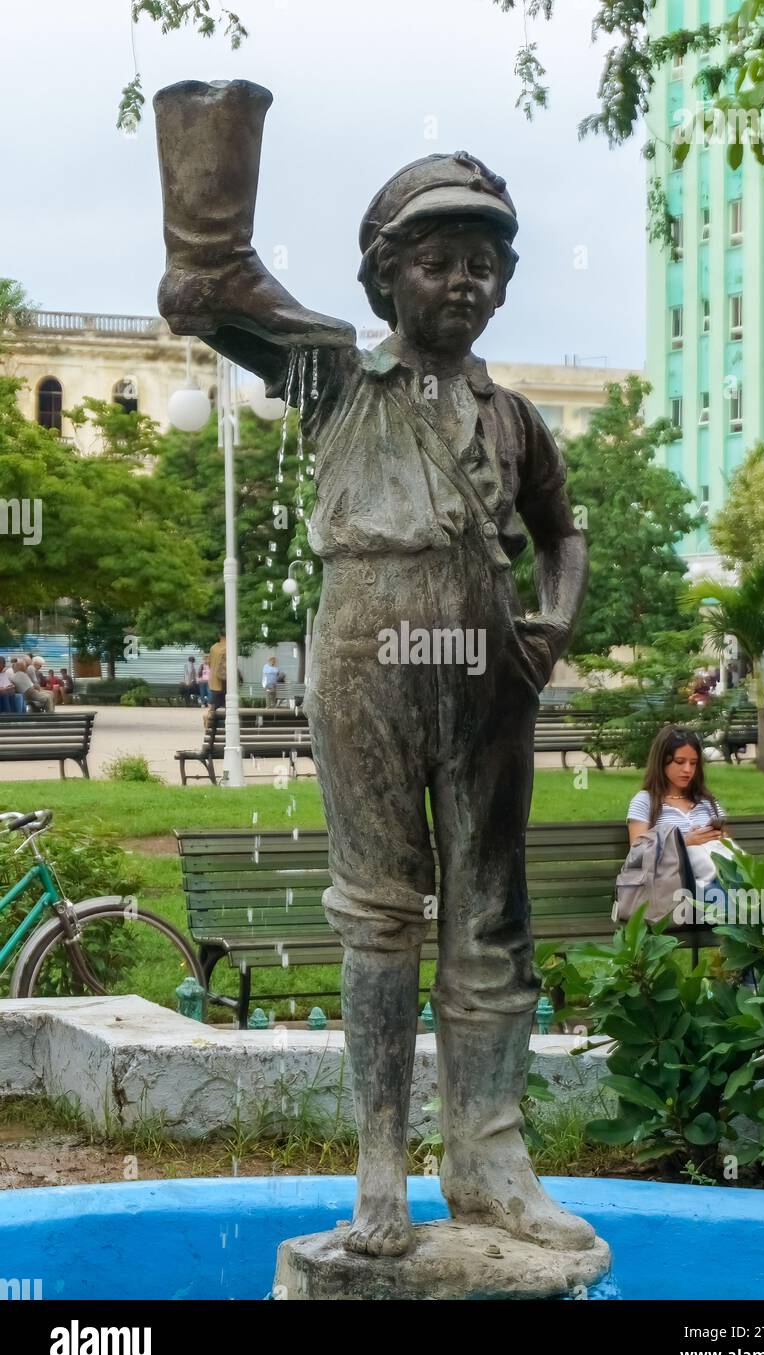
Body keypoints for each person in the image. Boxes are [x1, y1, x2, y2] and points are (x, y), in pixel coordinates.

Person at [155, 85, 592, 1258]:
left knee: (491, 917)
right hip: (365, 652)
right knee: (379, 917)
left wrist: (550, 625)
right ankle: (380, 1162)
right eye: (440, 260)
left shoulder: (513, 416)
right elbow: (202, 289)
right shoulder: (335, 376)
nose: (466, 283)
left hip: (486, 669)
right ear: (384, 276)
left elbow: (563, 529)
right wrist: (211, 145)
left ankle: (491, 1161)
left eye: (485, 266)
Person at [627, 727, 730, 896]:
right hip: (673, 887)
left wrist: (713, 835)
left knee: (757, 899)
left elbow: (726, 844)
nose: (688, 770)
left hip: (717, 877)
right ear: (662, 761)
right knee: (726, 901)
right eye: (680, 762)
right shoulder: (645, 801)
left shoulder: (707, 801)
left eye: (693, 763)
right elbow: (638, 854)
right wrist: (684, 842)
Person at [206, 634, 228, 716]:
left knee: (214, 707)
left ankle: (212, 726)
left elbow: (209, 663)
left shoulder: (213, 647)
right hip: (225, 681)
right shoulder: (228, 647)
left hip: (214, 681)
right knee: (227, 706)